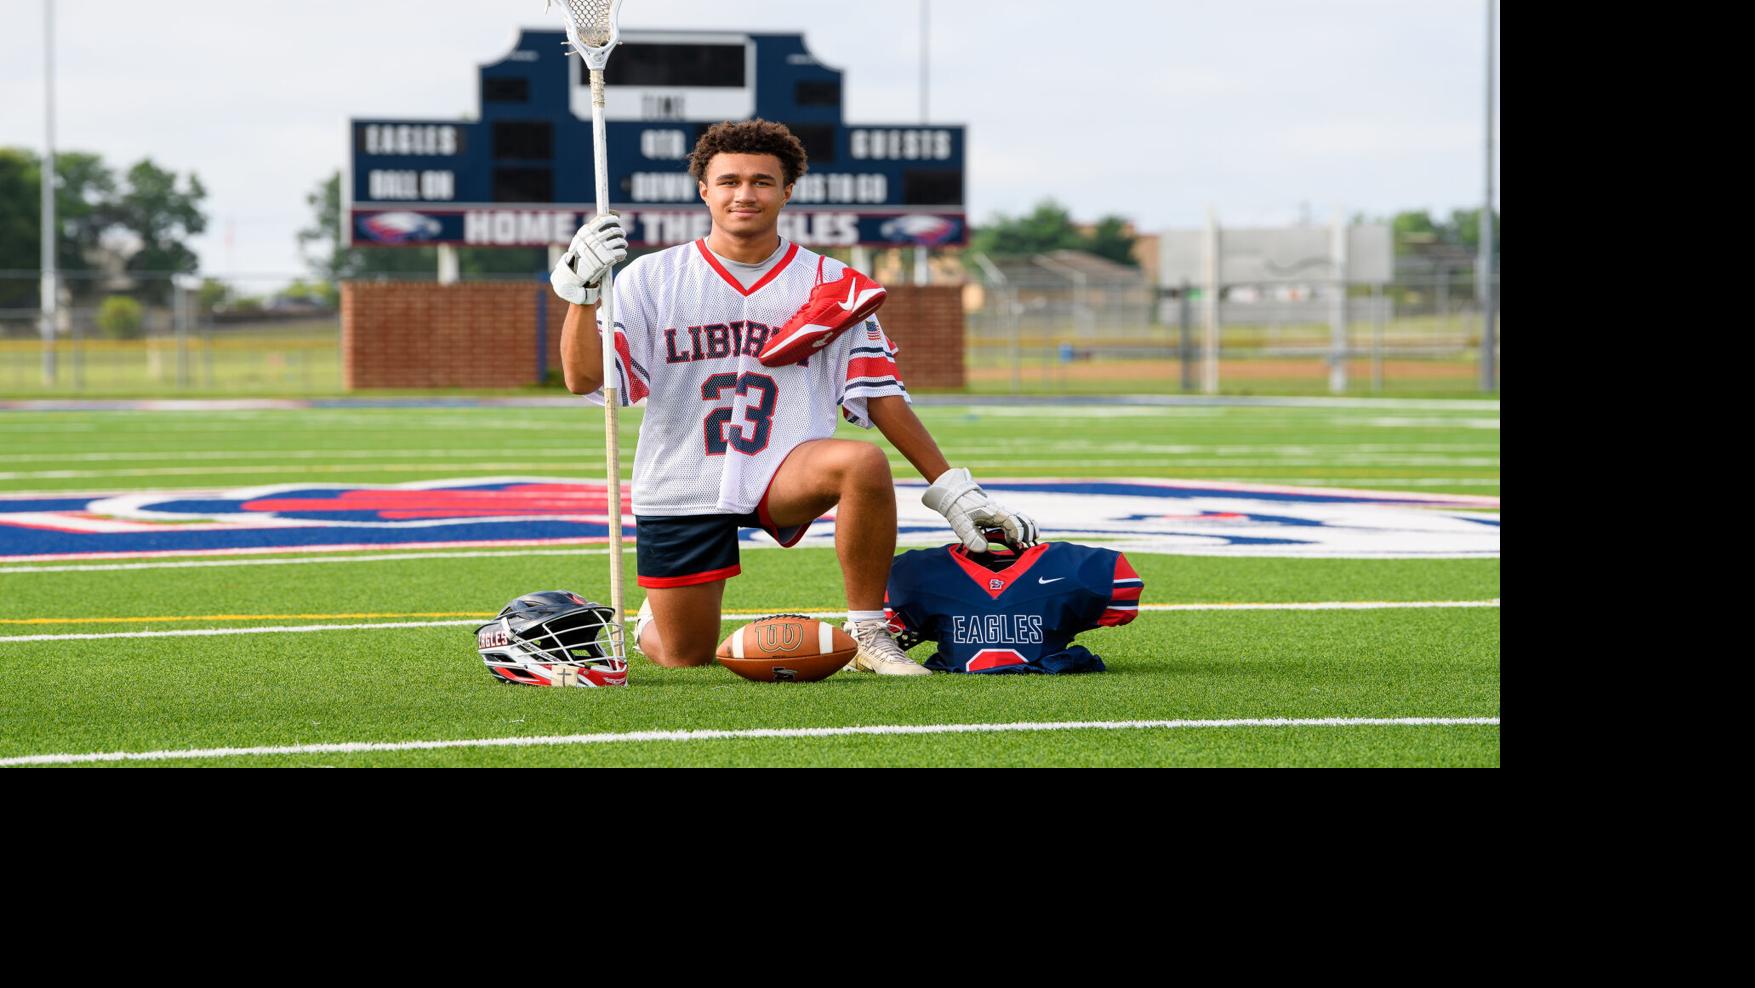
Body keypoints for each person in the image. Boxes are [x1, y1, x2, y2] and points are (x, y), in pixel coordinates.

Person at [552, 119, 1036, 675]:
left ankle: (870, 633)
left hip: (783, 464)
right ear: (703, 190)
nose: (744, 194)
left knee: (860, 463)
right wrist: (580, 293)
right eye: (728, 181)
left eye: (762, 181)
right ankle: (651, 621)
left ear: (787, 191)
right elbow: (583, 380)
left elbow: (881, 396)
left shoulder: (831, 282)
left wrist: (951, 488)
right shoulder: (651, 278)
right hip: (681, 475)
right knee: (685, 657)